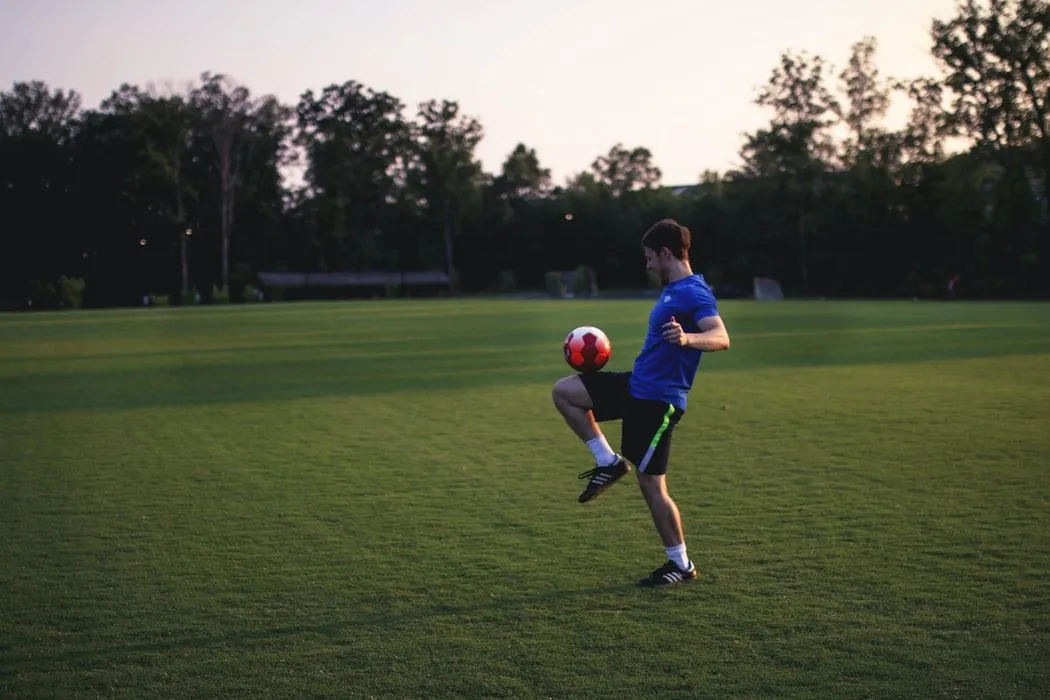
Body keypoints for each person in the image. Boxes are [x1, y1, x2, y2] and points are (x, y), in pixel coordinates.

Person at [551, 218, 731, 587]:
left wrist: (687, 339)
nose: (647, 264)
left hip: (657, 402)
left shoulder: (694, 293)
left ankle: (680, 565)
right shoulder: (672, 290)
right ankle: (608, 461)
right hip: (637, 386)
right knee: (565, 392)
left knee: (652, 487)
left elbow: (721, 336)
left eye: (650, 257)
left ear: (665, 253)